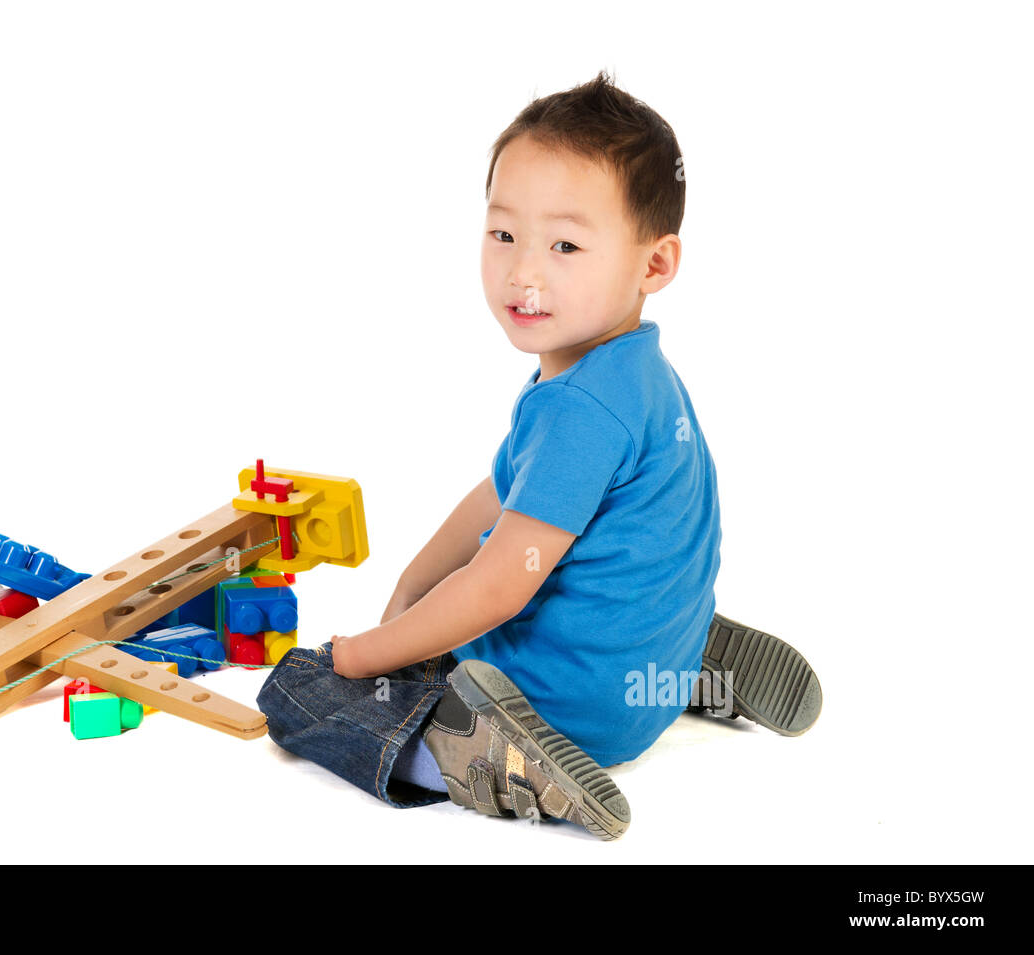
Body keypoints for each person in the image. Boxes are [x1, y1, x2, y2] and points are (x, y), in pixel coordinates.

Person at [256, 70, 821, 839]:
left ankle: (479, 751)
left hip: (560, 705)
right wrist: (413, 585)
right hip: (639, 674)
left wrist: (363, 653)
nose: (524, 271)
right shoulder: (637, 375)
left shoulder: (579, 410)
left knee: (299, 690)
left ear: (653, 264)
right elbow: (499, 495)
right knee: (459, 614)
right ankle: (678, 657)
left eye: (564, 244)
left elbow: (495, 593)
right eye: (504, 235)